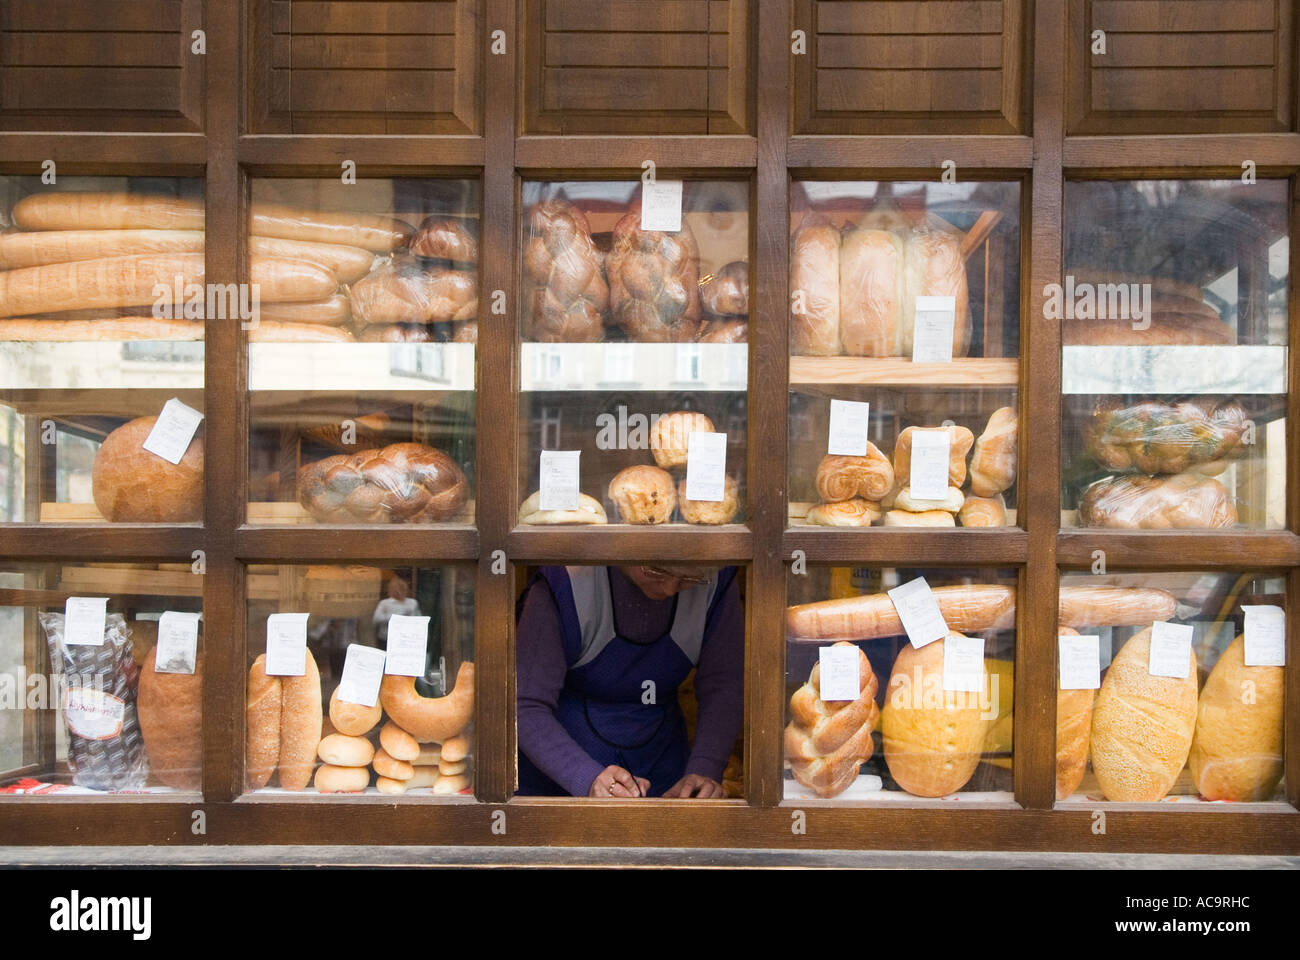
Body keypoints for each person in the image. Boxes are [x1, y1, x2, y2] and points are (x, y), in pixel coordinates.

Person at [515, 563, 743, 798]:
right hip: (556, 777)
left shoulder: (715, 573)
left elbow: (724, 687)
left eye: (688, 578)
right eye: (656, 570)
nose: (670, 588)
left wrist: (704, 771)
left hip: (664, 771)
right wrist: (585, 777)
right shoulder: (567, 580)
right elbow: (525, 704)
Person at [373, 576, 421, 646]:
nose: (398, 592)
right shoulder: (385, 603)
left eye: (400, 589)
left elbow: (419, 620)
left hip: (407, 639)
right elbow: (376, 619)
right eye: (393, 589)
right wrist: (396, 617)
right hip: (386, 639)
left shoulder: (412, 603)